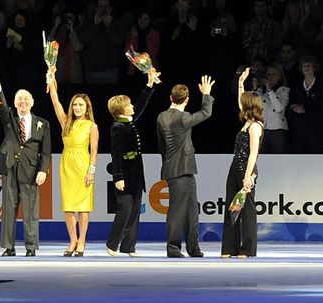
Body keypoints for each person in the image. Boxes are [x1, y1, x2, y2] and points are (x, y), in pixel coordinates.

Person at [0, 62, 51, 257]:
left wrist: (43, 170)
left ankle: (31, 246)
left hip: (32, 170)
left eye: (26, 99)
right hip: (10, 167)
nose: (22, 102)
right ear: (15, 103)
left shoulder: (43, 123)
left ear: (32, 102)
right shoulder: (9, 119)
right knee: (9, 209)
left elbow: (46, 151)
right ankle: (9, 246)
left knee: (31, 210)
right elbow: (1, 102)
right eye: (19, 99)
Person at [156, 75, 214, 258]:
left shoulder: (161, 117)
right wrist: (206, 94)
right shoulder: (184, 118)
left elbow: (161, 146)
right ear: (187, 100)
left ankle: (193, 248)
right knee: (177, 210)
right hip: (180, 168)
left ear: (170, 98)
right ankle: (173, 248)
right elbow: (206, 113)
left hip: (179, 168)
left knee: (191, 210)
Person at [105, 68, 158, 257]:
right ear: (121, 109)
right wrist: (118, 177)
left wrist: (149, 85)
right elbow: (116, 153)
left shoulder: (128, 122)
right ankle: (112, 244)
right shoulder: (118, 127)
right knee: (125, 209)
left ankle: (129, 246)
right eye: (129, 105)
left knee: (135, 211)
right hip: (125, 175)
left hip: (136, 174)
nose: (132, 107)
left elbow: (141, 105)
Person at [47, 66, 99, 257]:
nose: (77, 107)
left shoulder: (92, 126)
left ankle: (82, 241)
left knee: (83, 207)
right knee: (68, 206)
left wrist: (91, 171)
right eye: (75, 104)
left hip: (83, 165)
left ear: (87, 108)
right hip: (66, 166)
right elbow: (55, 102)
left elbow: (94, 151)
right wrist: (51, 80)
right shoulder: (66, 122)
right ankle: (72, 241)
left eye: (80, 105)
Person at [223, 70, 265, 259]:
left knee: (246, 210)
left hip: (246, 171)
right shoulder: (246, 123)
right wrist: (241, 82)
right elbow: (240, 101)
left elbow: (253, 153)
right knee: (231, 207)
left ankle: (247, 249)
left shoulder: (255, 126)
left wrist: (248, 176)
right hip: (234, 168)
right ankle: (229, 248)